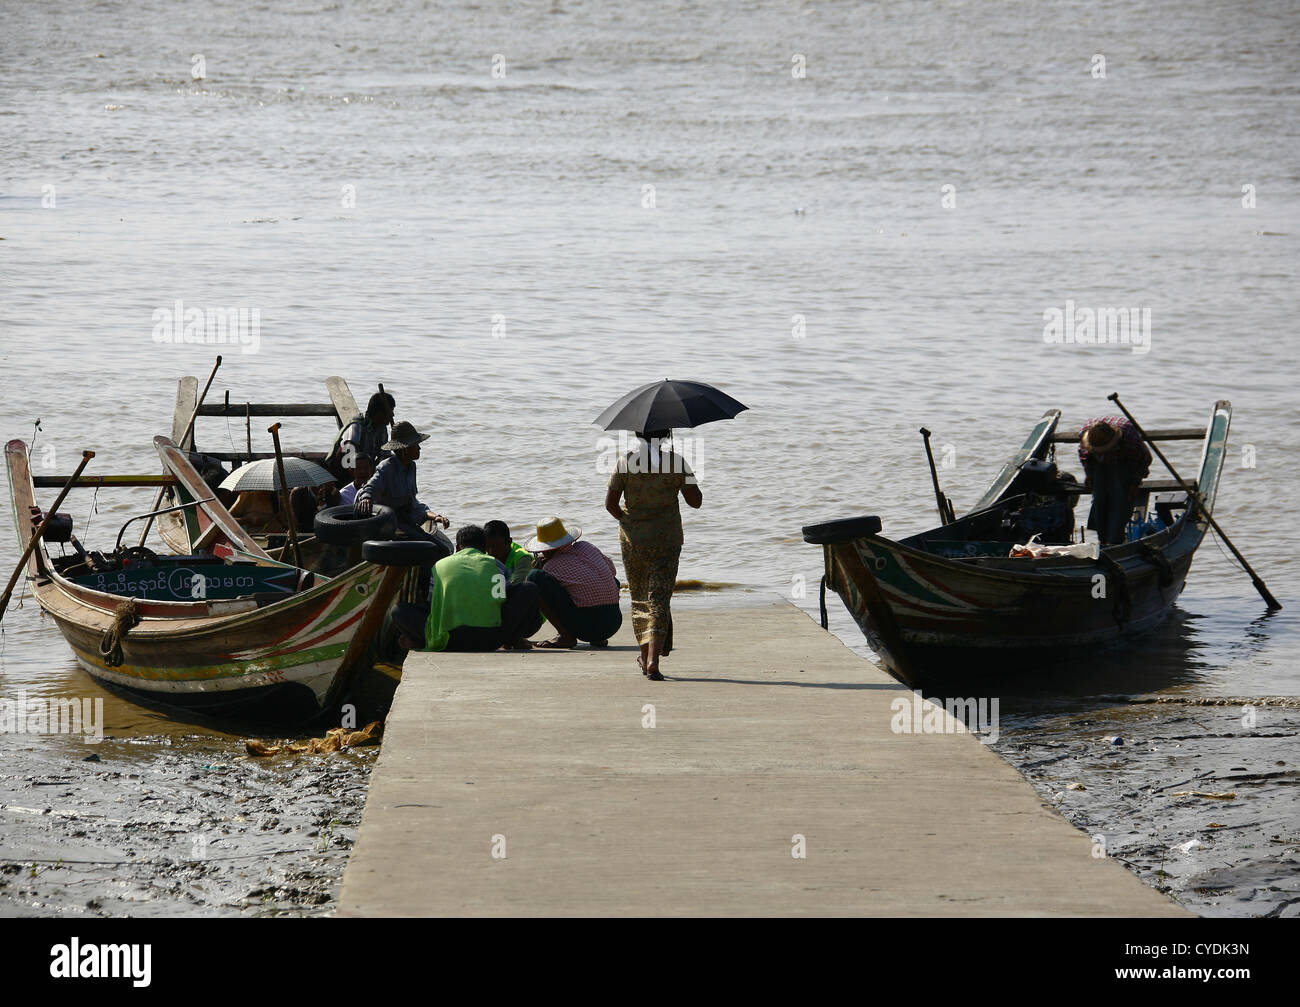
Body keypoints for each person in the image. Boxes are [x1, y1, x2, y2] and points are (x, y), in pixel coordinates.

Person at [605, 429, 702, 680]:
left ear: (638, 434)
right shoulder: (677, 462)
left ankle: (645, 656)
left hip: (633, 541)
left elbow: (610, 505)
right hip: (667, 539)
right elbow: (696, 501)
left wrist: (627, 521)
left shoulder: (626, 462)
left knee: (639, 597)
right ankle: (652, 661)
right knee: (659, 598)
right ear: (667, 435)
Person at [390, 524, 540, 652]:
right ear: (485, 548)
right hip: (490, 640)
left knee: (399, 611)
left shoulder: (439, 566)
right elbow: (501, 600)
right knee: (528, 588)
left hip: (448, 640)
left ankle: (421, 642)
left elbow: (432, 604)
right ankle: (513, 640)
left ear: (457, 547)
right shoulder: (496, 565)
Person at [523, 517, 622, 649]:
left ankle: (565, 636)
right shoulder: (587, 547)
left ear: (544, 549)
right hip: (614, 622)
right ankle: (599, 639)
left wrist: (540, 568)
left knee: (534, 577)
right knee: (607, 579)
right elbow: (612, 571)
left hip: (586, 628)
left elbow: (531, 587)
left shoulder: (551, 566)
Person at [354, 421, 450, 541]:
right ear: (405, 450)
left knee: (438, 545)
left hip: (404, 520)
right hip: (385, 523)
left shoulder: (411, 467)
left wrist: (436, 517)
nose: (419, 448)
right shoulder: (386, 467)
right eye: (416, 445)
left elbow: (413, 505)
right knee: (426, 544)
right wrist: (366, 498)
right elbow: (370, 487)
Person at [1078, 417, 1152, 545]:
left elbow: (1144, 459)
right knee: (1099, 497)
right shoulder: (1087, 435)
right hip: (1098, 464)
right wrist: (1089, 475)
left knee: (1121, 497)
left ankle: (1115, 539)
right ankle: (1102, 538)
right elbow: (1085, 457)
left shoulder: (1129, 439)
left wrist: (1135, 483)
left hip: (1123, 462)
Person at [325, 389, 395, 483]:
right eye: (390, 411)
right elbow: (347, 453)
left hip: (365, 470)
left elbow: (384, 455)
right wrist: (356, 476)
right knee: (350, 448)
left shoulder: (381, 429)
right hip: (343, 471)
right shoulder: (357, 426)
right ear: (379, 413)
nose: (392, 414)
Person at [484, 520, 534, 584]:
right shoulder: (485, 558)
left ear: (509, 541)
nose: (491, 552)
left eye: (496, 547)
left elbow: (518, 586)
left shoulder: (523, 558)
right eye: (487, 547)